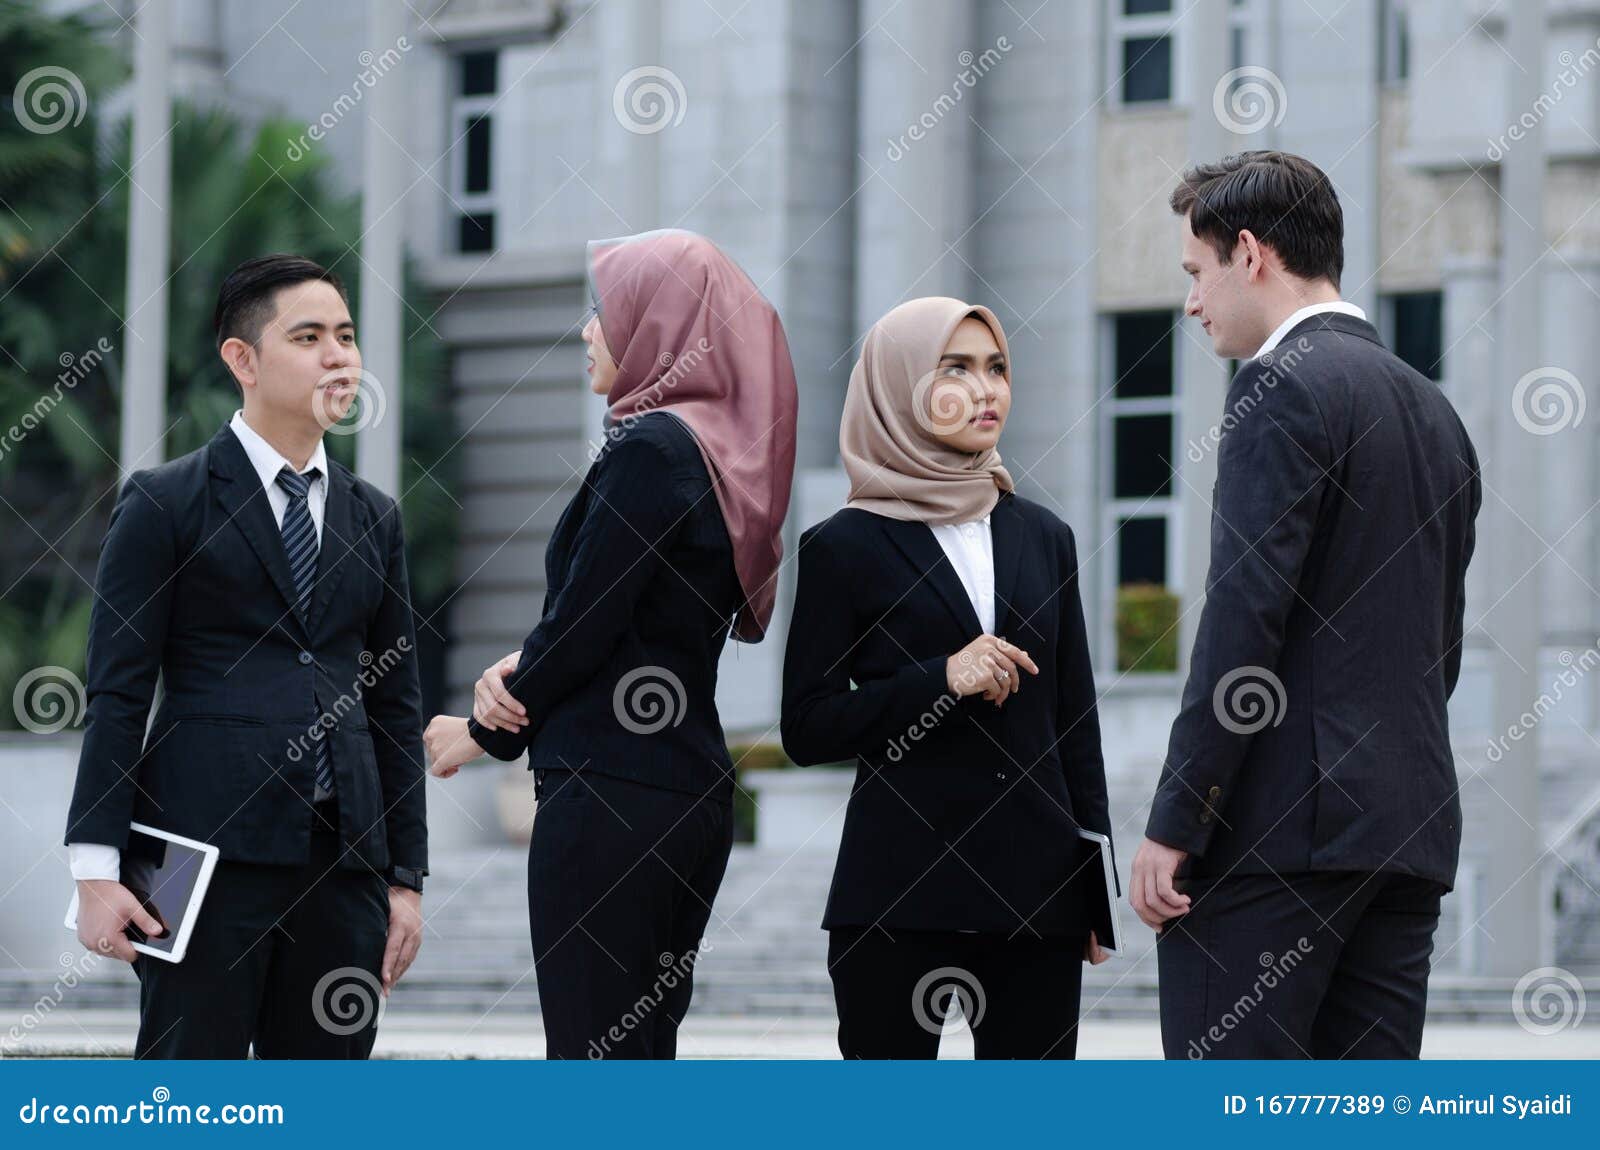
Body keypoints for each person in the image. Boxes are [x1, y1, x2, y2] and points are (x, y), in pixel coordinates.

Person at [1130, 151, 1482, 1059]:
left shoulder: (1279, 389)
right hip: (1403, 837)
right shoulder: (1434, 411)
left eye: (1196, 272)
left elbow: (1245, 619)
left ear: (1250, 254)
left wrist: (1178, 818)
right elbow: (1437, 643)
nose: (1192, 302)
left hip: (1279, 845)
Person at [424, 229, 798, 1060]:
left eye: (604, 312)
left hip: (612, 798)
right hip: (683, 792)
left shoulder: (653, 450)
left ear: (657, 325)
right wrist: (525, 665)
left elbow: (586, 622)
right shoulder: (714, 457)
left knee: (591, 1058)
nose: (589, 332)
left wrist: (480, 732)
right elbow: (632, 620)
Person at [64, 254, 428, 1058]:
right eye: (309, 336)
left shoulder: (375, 518)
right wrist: (95, 870)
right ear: (243, 360)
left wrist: (405, 879)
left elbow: (395, 706)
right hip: (190, 856)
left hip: (344, 863)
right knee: (190, 1097)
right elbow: (118, 693)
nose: (339, 356)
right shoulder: (164, 502)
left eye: (346, 335)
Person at [780, 296, 1113, 1060]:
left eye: (996, 367)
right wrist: (941, 679)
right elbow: (806, 724)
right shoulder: (843, 545)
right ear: (900, 385)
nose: (987, 388)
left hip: (1037, 901)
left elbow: (1075, 722)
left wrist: (1091, 892)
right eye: (956, 368)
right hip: (898, 896)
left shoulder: (1045, 536)